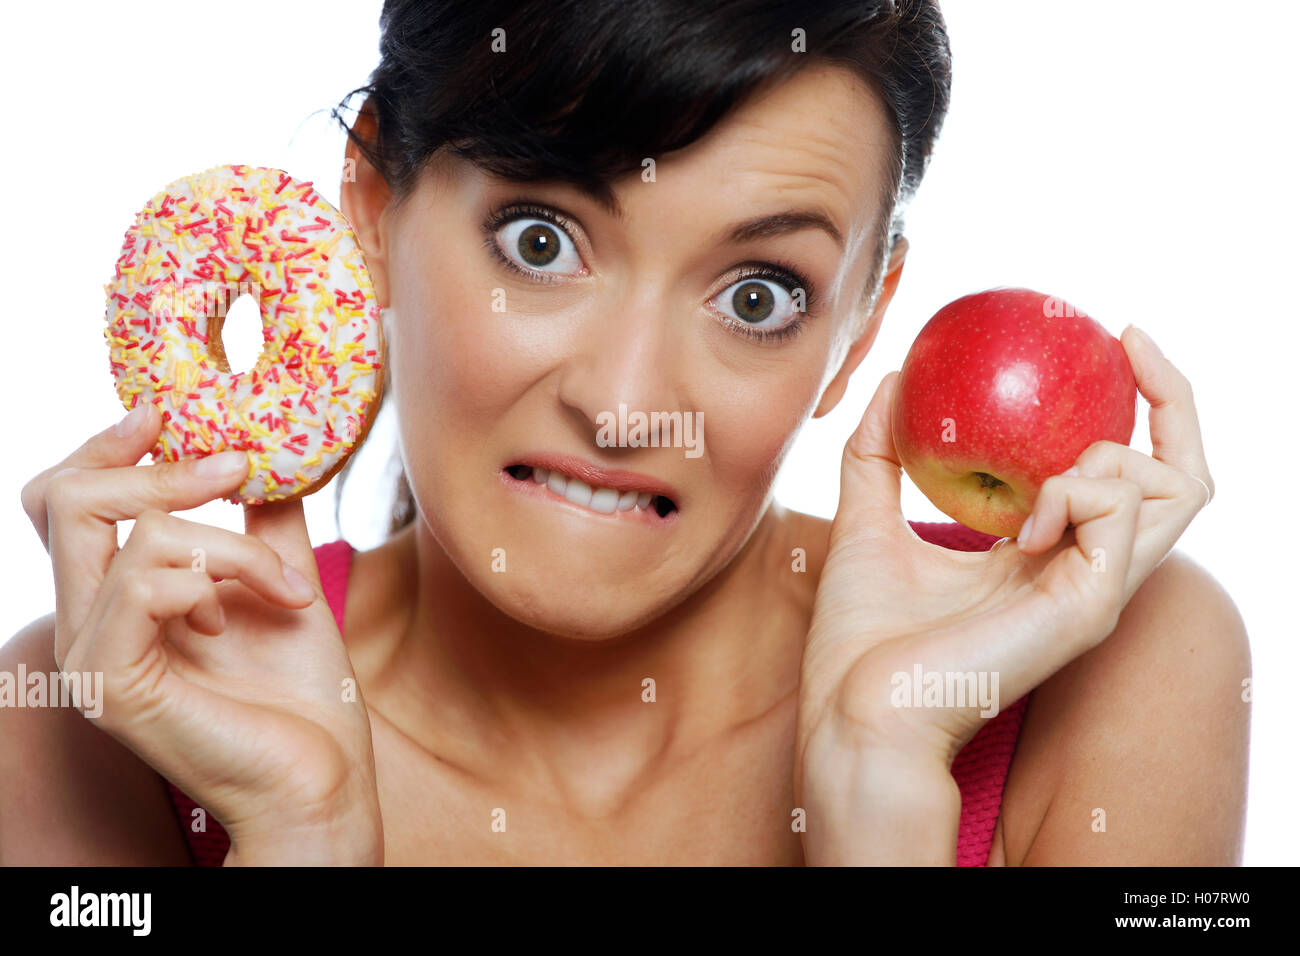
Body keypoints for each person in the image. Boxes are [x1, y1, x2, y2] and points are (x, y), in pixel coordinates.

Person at [2, 0, 1247, 865]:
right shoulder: (97, 705)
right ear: (373, 205)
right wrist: (302, 835)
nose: (620, 399)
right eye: (539, 241)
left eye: (756, 295)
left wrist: (878, 798)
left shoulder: (1105, 668)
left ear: (860, 325)